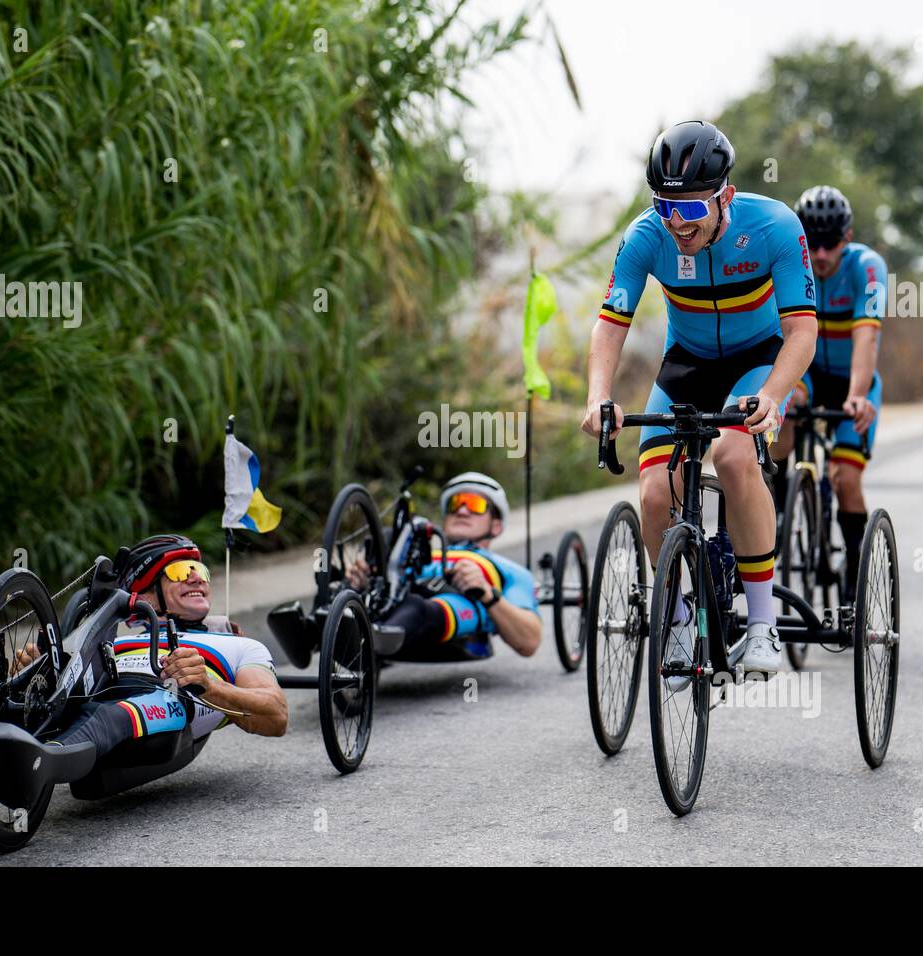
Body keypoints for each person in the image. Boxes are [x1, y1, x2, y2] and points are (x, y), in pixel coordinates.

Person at [580, 120, 817, 676]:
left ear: (725, 196)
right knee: (655, 493)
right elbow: (611, 324)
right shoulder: (646, 236)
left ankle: (762, 626)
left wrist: (773, 394)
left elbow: (802, 331)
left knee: (734, 457)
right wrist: (598, 397)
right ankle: (682, 617)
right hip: (686, 364)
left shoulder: (775, 227)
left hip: (757, 360)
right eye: (666, 208)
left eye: (689, 210)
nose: (677, 224)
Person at [0, 534, 287, 807]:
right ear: (146, 590)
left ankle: (43, 758)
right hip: (95, 680)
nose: (196, 578)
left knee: (111, 713)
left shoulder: (239, 646)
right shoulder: (116, 633)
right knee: (2, 685)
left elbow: (276, 714)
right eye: (182, 570)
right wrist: (34, 672)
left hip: (168, 699)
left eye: (200, 571)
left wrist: (209, 685)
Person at [771, 185, 888, 594]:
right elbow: (781, 340)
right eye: (812, 243)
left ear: (848, 238)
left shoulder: (866, 268)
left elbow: (866, 339)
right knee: (780, 411)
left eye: (831, 244)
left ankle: (855, 571)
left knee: (845, 479)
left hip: (852, 381)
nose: (820, 255)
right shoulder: (788, 263)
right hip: (807, 374)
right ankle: (778, 504)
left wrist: (857, 395)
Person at [343, 472, 542, 661]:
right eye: (455, 504)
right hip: (396, 595)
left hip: (456, 603)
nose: (462, 510)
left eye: (475, 505)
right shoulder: (423, 552)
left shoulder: (509, 570)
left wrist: (487, 594)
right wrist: (364, 579)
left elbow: (530, 641)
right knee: (382, 543)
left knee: (417, 608)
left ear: (496, 526)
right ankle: (328, 624)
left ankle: (365, 639)